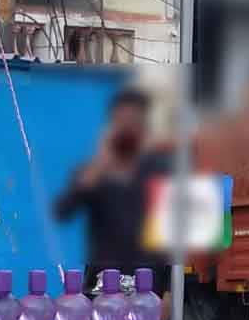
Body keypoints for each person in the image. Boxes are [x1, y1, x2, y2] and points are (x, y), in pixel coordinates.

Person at [53, 86, 171, 294]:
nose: (127, 129)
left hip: (148, 289)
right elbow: (62, 211)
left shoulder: (160, 172)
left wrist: (170, 291)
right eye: (121, 122)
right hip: (101, 288)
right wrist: (99, 165)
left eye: (133, 123)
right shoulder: (94, 169)